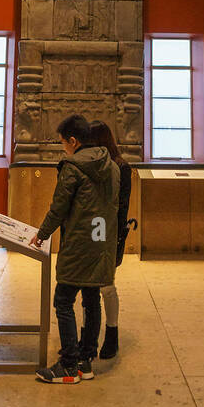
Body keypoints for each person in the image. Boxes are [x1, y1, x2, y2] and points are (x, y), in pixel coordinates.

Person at [30, 114, 119, 383]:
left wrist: (42, 233)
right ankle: (85, 361)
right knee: (91, 300)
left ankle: (68, 365)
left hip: (79, 242)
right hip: (101, 241)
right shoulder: (112, 166)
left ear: (73, 140)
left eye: (63, 144)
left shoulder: (73, 166)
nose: (64, 149)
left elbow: (60, 207)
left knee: (64, 300)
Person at [89, 120, 135, 360]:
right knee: (89, 288)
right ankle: (90, 336)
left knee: (106, 285)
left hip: (108, 232)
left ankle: (111, 332)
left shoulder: (120, 167)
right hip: (92, 231)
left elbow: (122, 206)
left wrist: (115, 237)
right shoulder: (90, 165)